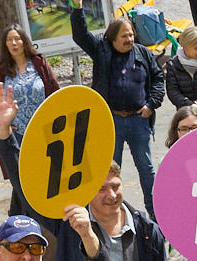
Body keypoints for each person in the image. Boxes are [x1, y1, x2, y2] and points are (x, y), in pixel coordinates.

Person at [70, 2, 165, 203]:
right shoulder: (101, 50)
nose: (129, 39)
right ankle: (111, 209)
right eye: (124, 36)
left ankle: (155, 211)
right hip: (110, 122)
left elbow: (158, 79)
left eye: (131, 35)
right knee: (110, 170)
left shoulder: (143, 53)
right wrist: (78, 10)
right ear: (112, 38)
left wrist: (151, 104)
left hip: (139, 120)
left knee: (146, 169)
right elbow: (80, 36)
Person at [0, 22, 59, 142]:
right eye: (9, 40)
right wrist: (5, 125)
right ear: (5, 44)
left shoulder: (39, 63)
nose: (14, 43)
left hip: (43, 129)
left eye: (17, 39)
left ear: (24, 41)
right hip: (15, 133)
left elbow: (55, 92)